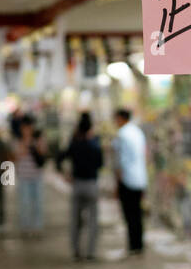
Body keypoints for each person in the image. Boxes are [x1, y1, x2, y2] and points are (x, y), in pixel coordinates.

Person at [61, 112, 103, 261]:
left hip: (77, 184)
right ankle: (91, 252)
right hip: (91, 184)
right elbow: (100, 164)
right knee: (93, 221)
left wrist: (65, 173)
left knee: (75, 221)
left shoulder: (74, 144)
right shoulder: (95, 144)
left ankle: (76, 251)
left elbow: (61, 156)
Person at [112, 109, 148, 256]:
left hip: (127, 179)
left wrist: (117, 183)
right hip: (139, 178)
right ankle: (138, 244)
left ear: (120, 118)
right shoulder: (137, 132)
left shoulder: (122, 134)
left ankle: (134, 245)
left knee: (130, 214)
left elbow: (120, 161)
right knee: (137, 213)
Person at [15, 117, 47, 237]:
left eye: (29, 127)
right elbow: (17, 154)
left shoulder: (38, 139)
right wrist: (25, 144)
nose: (27, 130)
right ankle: (25, 227)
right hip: (23, 176)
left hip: (36, 176)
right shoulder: (18, 140)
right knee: (24, 203)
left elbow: (43, 153)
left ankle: (37, 227)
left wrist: (34, 145)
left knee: (38, 203)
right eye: (25, 128)